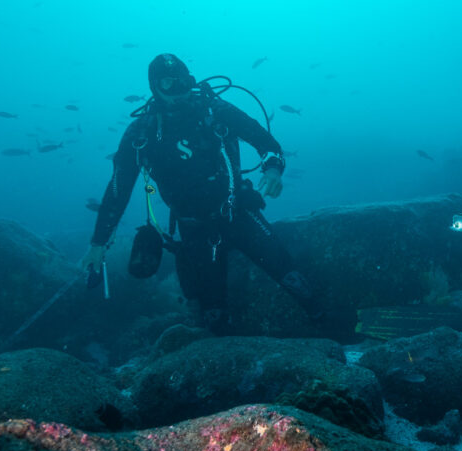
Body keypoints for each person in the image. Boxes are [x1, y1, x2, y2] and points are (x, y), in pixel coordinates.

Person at [82, 53, 312, 331]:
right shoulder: (141, 133)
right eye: (168, 83)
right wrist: (99, 242)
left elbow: (266, 143)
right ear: (155, 86)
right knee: (213, 314)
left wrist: (273, 170)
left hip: (237, 212)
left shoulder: (215, 110)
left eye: (183, 82)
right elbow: (119, 187)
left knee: (292, 276)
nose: (177, 91)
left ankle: (330, 324)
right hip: (193, 229)